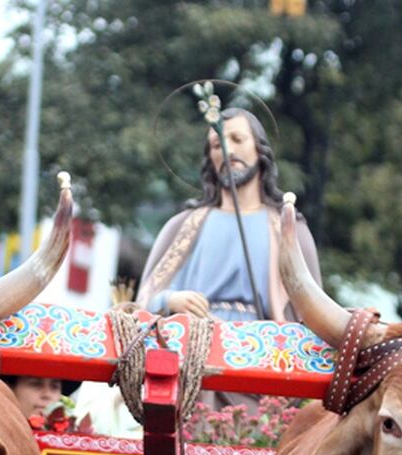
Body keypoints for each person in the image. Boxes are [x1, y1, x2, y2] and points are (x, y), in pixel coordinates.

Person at [135, 107, 322, 323]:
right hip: (196, 336)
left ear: (260, 150)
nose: (227, 150)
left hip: (263, 339)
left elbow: (315, 311)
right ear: (210, 158)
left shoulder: (287, 228)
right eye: (217, 145)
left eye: (237, 139)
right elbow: (143, 302)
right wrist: (170, 300)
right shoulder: (184, 226)